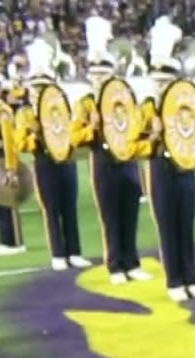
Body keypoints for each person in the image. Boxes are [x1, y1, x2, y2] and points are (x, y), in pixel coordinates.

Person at [71, 15, 153, 284]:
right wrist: (91, 128)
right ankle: (115, 265)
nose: (98, 79)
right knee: (110, 216)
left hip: (127, 160)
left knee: (129, 213)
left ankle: (132, 262)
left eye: (103, 74)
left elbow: (138, 125)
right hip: (103, 161)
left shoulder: (126, 98)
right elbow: (74, 138)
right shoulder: (85, 103)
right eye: (94, 74)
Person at [143, 17, 195, 301]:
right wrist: (153, 136)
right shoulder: (146, 107)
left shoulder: (187, 105)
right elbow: (132, 144)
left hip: (184, 168)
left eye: (166, 81)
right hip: (160, 166)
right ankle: (174, 281)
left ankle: (191, 277)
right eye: (157, 81)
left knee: (186, 223)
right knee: (167, 224)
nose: (161, 86)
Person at [15, 38, 88, 270]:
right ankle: (58, 253)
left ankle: (74, 251)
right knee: (51, 208)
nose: (39, 91)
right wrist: (34, 136)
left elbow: (73, 131)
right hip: (44, 161)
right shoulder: (25, 113)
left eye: (44, 86)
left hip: (65, 159)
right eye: (36, 87)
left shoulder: (63, 107)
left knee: (69, 207)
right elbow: (19, 143)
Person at [0, 66, 23, 257]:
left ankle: (14, 242)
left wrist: (11, 168)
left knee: (5, 199)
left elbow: (9, 141)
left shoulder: (1, 110)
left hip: (0, 156)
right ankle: (5, 240)